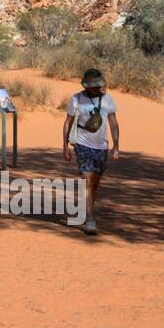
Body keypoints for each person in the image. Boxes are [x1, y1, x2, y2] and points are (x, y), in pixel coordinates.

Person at [62, 68, 119, 236]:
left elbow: (114, 123)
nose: (95, 89)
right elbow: (67, 123)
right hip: (82, 144)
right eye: (92, 86)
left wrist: (116, 146)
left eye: (98, 86)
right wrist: (65, 146)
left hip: (101, 146)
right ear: (86, 86)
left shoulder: (107, 99)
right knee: (86, 179)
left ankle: (88, 210)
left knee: (95, 181)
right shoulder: (77, 99)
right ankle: (90, 218)